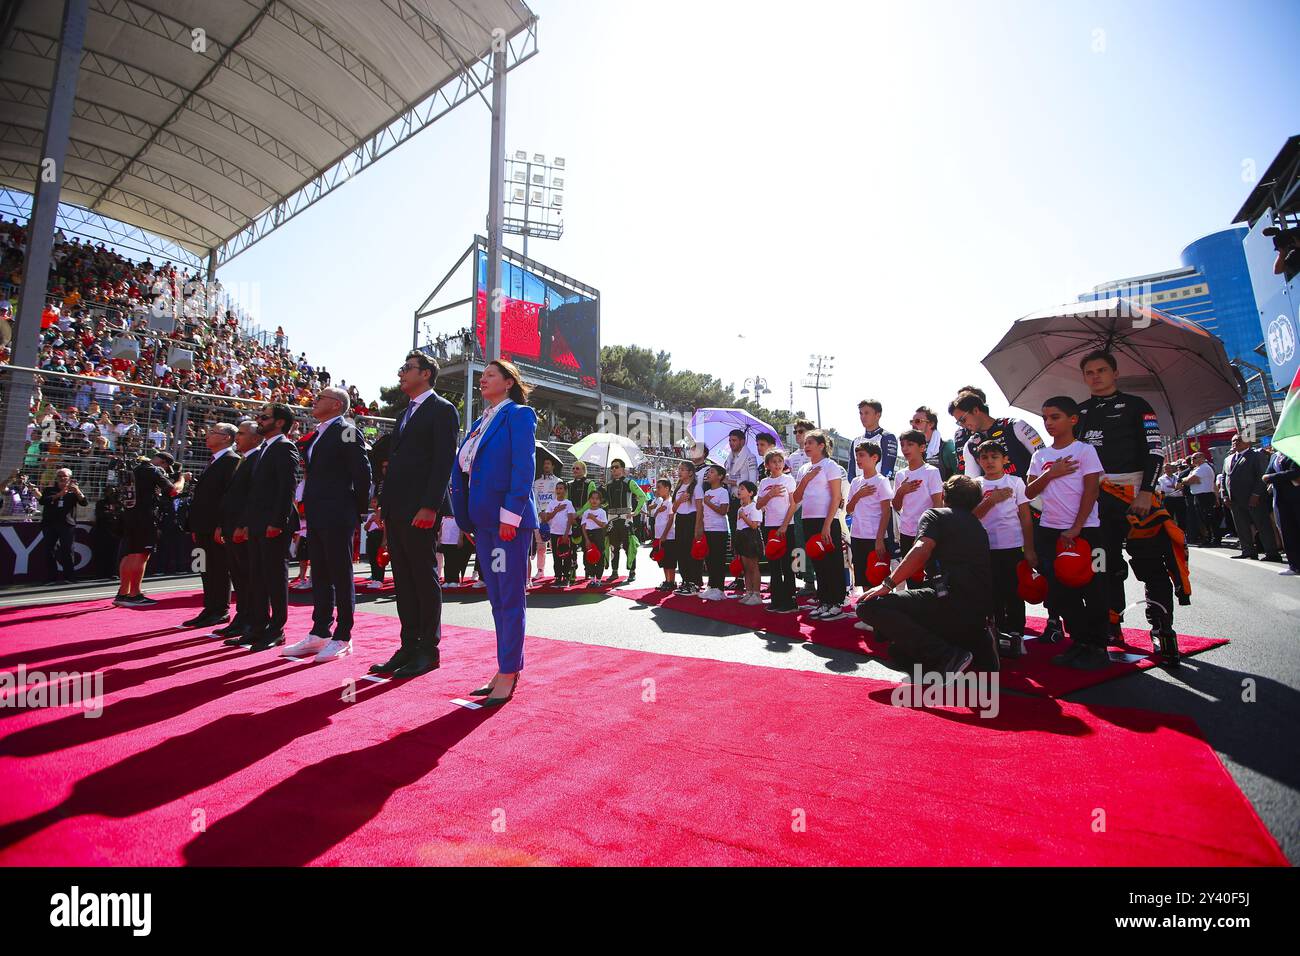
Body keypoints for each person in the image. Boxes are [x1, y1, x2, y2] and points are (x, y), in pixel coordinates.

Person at [449, 358, 538, 706]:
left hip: (507, 523)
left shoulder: (518, 415)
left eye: (490, 375)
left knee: (509, 598)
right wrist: (466, 520)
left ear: (508, 382)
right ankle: (505, 665)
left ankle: (508, 671)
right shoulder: (479, 422)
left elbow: (523, 466)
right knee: (497, 599)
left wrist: (510, 516)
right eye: (482, 376)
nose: (483, 380)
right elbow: (464, 470)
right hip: (482, 523)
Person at [855, 475, 997, 678]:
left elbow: (922, 548)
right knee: (899, 653)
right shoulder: (978, 527)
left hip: (947, 601)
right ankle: (974, 645)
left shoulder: (935, 515)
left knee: (869, 605)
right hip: (976, 613)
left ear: (945, 496)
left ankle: (947, 655)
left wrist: (887, 584)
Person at [1076, 350, 1174, 642]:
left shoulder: (1138, 405)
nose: (1096, 376)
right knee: (1103, 566)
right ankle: (1111, 623)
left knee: (1151, 566)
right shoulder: (1077, 413)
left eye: (1102, 370)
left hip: (1136, 497)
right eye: (1090, 372)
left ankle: (1161, 628)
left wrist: (1146, 492)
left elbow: (1156, 451)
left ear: (1115, 373)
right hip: (1096, 500)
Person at [373, 352, 459, 678]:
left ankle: (428, 649)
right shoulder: (403, 413)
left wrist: (430, 506)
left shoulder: (442, 410)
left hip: (420, 509)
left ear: (425, 374)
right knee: (404, 580)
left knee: (423, 578)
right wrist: (383, 502)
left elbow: (442, 462)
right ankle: (408, 645)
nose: (402, 373)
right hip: (396, 508)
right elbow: (394, 465)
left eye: (407, 368)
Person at [285, 387, 373, 662]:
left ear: (335, 405)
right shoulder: (319, 434)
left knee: (339, 572)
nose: (314, 400)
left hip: (338, 512)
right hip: (317, 511)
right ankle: (320, 630)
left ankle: (343, 635)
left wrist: (355, 509)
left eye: (320, 397)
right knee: (320, 571)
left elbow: (362, 472)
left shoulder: (346, 430)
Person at [1025, 396, 1109, 670]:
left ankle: (1099, 647)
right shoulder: (1040, 456)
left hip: (1089, 532)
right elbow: (1028, 492)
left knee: (1094, 588)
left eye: (1055, 417)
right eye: (1045, 418)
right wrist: (1052, 473)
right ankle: (1079, 642)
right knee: (1061, 591)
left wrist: (1077, 527)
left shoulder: (1085, 451)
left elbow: (1092, 490)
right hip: (1050, 531)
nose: (1049, 423)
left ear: (1073, 419)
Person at [230, 403, 299, 651]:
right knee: (257, 576)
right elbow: (254, 494)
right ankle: (258, 627)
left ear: (279, 423)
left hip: (273, 524)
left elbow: (286, 488)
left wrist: (277, 522)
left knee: (274, 577)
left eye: (264, 417)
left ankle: (277, 628)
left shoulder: (284, 447)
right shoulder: (263, 450)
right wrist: (246, 524)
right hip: (258, 523)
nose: (259, 420)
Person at [972, 440, 1036, 652]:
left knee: (1014, 592)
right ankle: (997, 632)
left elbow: (1026, 518)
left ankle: (1017, 633)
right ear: (979, 461)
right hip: (985, 548)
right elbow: (972, 518)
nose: (989, 461)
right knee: (992, 593)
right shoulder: (975, 485)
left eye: (994, 457)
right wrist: (991, 501)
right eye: (984, 457)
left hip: (1012, 546)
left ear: (1005, 460)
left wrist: (1029, 548)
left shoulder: (1016, 482)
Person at [182, 423, 240, 628]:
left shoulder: (232, 461)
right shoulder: (214, 460)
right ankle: (210, 608)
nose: (208, 435)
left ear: (226, 438)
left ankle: (220, 609)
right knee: (205, 567)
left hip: (215, 527)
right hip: (202, 526)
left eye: (214, 432)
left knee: (219, 568)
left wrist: (220, 526)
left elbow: (228, 497)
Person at [114, 451, 187, 606]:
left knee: (129, 554)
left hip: (129, 515)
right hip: (144, 517)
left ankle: (123, 592)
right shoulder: (153, 470)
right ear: (164, 463)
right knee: (141, 555)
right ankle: (135, 594)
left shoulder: (135, 468)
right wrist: (182, 479)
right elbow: (174, 491)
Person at [792, 429, 847, 620]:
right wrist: (805, 480)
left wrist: (827, 524)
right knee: (818, 562)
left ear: (821, 446)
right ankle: (823, 600)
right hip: (808, 519)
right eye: (805, 443)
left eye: (810, 443)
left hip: (827, 520)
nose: (806, 446)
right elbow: (796, 497)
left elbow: (836, 497)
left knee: (832, 562)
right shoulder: (803, 469)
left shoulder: (830, 466)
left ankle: (836, 603)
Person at [213, 420, 261, 640]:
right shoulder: (244, 459)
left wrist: (245, 525)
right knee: (239, 577)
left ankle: (252, 621)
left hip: (244, 528)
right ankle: (241, 619)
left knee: (250, 578)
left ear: (255, 438)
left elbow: (253, 497)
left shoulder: (258, 459)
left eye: (241, 433)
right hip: (232, 526)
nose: (237, 437)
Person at [892, 429, 945, 585]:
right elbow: (896, 506)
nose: (905, 448)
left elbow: (938, 503)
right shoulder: (900, 474)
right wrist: (901, 491)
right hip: (906, 531)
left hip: (927, 532)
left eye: (910, 444)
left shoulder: (932, 472)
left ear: (922, 447)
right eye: (902, 445)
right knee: (911, 576)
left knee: (930, 576)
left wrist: (935, 531)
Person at [952, 392, 1043, 479]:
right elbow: (973, 484)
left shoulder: (1016, 425)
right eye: (959, 423)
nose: (963, 426)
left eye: (963, 420)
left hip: (1032, 492)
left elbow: (1043, 459)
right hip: (997, 494)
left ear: (975, 410)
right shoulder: (970, 445)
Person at [1222, 432, 1283, 562]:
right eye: (1233, 441)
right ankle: (1248, 551)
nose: (1235, 443)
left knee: (1262, 525)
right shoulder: (1228, 459)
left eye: (1238, 440)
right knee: (1242, 526)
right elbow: (1224, 478)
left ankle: (1272, 553)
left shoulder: (1256, 456)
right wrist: (1225, 495)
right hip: (1235, 500)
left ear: (1247, 442)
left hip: (1253, 499)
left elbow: (1261, 476)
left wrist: (1256, 494)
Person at [846, 441, 892, 612]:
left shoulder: (881, 481)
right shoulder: (856, 482)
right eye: (857, 455)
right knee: (863, 578)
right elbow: (849, 509)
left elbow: (886, 512)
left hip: (875, 537)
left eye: (862, 455)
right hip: (858, 536)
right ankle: (869, 613)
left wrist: (880, 539)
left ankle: (882, 615)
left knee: (878, 577)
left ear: (875, 458)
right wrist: (858, 495)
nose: (858, 459)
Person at [759, 448, 798, 613]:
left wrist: (784, 525)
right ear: (767, 465)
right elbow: (758, 505)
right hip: (769, 526)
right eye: (774, 462)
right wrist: (770, 494)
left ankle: (790, 600)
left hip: (787, 526)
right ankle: (776, 598)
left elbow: (793, 504)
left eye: (780, 461)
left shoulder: (788, 480)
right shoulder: (764, 482)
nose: (778, 464)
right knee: (773, 564)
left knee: (788, 564)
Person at [602, 457, 649, 583]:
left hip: (626, 519)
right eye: (612, 467)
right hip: (611, 519)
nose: (614, 469)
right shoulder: (608, 485)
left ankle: (632, 571)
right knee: (613, 546)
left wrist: (636, 512)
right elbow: (604, 503)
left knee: (630, 546)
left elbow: (642, 496)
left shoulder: (629, 482)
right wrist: (601, 494)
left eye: (616, 467)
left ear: (622, 469)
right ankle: (614, 571)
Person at [723, 429, 758, 591]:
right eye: (730, 440)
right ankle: (739, 576)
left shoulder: (750, 457)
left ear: (743, 441)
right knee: (736, 539)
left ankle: (748, 579)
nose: (731, 443)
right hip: (732, 500)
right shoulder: (729, 458)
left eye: (735, 440)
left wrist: (732, 482)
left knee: (746, 540)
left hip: (744, 502)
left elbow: (752, 482)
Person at [40, 468, 86, 584]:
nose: (61, 478)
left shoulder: (73, 491)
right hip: (50, 523)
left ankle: (69, 577)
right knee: (49, 550)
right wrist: (59, 494)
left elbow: (84, 502)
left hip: (67, 524)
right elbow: (43, 501)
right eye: (59, 476)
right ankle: (51, 577)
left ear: (69, 477)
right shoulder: (50, 489)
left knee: (67, 550)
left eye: (64, 476)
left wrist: (77, 491)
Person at [1263, 450, 1300, 576]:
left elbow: (1295, 473)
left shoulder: (1295, 451)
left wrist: (1273, 477)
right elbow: (1266, 475)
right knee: (1288, 532)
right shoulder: (1275, 456)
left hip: (1297, 498)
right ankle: (1294, 565)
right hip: (1281, 500)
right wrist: (1276, 477)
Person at [699, 464, 731, 601]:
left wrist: (709, 503)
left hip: (719, 530)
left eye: (712, 472)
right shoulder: (706, 492)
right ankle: (711, 586)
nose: (708, 474)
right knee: (710, 559)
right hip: (708, 529)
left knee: (718, 559)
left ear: (720, 476)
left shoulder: (723, 492)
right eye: (708, 472)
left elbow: (723, 511)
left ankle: (719, 589)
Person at [671, 460, 703, 595]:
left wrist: (698, 527)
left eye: (683, 469)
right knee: (681, 551)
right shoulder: (678, 487)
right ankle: (685, 581)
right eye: (679, 469)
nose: (680, 472)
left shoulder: (696, 487)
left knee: (691, 552)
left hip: (691, 519)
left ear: (690, 473)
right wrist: (680, 499)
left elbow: (700, 509)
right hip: (680, 520)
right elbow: (673, 508)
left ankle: (694, 583)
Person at [849, 400, 897, 481]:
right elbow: (851, 472)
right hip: (858, 490)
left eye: (867, 413)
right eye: (861, 413)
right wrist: (857, 487)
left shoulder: (887, 437)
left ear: (878, 415)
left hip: (878, 489)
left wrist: (873, 486)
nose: (863, 417)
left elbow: (888, 470)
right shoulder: (856, 441)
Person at [1180, 451, 1220, 546]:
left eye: (1195, 458)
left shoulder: (1204, 468)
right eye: (1192, 458)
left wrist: (1184, 480)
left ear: (1202, 457)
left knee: (1209, 518)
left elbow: (1190, 480)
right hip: (1198, 495)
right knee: (1202, 519)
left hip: (1205, 496)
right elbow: (1191, 480)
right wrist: (1188, 480)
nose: (1192, 460)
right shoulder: (1197, 469)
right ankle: (1208, 538)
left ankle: (1215, 539)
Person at [543, 480, 578, 587]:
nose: (558, 490)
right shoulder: (552, 503)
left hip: (566, 534)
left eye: (561, 488)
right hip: (554, 533)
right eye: (557, 488)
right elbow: (547, 518)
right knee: (556, 556)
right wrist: (556, 510)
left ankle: (566, 577)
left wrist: (566, 534)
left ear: (565, 491)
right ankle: (558, 576)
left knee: (567, 556)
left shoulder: (568, 503)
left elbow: (571, 520)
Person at [734, 480, 763, 605]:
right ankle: (749, 592)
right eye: (739, 488)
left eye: (742, 489)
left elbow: (754, 526)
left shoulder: (754, 507)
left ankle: (756, 594)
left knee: (753, 566)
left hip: (751, 537)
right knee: (745, 567)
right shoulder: (740, 508)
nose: (739, 491)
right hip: (741, 537)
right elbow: (738, 526)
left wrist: (744, 516)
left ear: (751, 493)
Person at [532, 456, 561, 581]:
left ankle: (557, 571)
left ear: (553, 466)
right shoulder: (536, 483)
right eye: (544, 463)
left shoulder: (558, 482)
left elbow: (559, 500)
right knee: (541, 546)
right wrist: (540, 513)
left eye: (548, 463)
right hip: (540, 517)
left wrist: (550, 513)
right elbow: (534, 500)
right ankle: (540, 570)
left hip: (554, 517)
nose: (546, 466)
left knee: (555, 546)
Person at [911, 407, 958, 479]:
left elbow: (959, 475)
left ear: (931, 424)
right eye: (911, 421)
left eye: (918, 421)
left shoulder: (946, 447)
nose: (913, 425)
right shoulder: (916, 448)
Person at [647, 478, 677, 592]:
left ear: (667, 488)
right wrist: (658, 510)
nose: (657, 490)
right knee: (662, 559)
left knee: (670, 560)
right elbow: (654, 516)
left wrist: (664, 534)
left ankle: (672, 581)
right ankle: (666, 580)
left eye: (659, 487)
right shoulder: (660, 501)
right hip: (658, 535)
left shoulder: (670, 502)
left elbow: (671, 519)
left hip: (668, 536)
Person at [580, 488, 608, 585]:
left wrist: (593, 518)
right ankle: (592, 578)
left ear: (600, 501)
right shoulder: (586, 512)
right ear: (589, 500)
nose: (594, 501)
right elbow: (583, 526)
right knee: (589, 557)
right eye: (592, 498)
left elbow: (603, 525)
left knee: (599, 557)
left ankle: (599, 579)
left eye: (597, 499)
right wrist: (586, 539)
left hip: (599, 534)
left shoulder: (602, 512)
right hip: (588, 535)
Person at [1156, 462, 1187, 531]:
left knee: (1181, 517)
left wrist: (1173, 487)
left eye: (1169, 468)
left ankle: (1182, 532)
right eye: (1166, 469)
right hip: (1169, 499)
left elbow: (1182, 487)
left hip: (1179, 499)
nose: (1168, 470)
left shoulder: (1177, 477)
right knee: (1170, 517)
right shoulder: (1161, 479)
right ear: (1164, 470)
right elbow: (1164, 489)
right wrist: (1176, 487)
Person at [363, 499, 385, 591]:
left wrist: (384, 541)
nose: (373, 504)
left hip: (378, 536)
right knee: (372, 558)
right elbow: (365, 528)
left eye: (375, 502)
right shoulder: (371, 515)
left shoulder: (383, 515)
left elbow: (383, 528)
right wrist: (370, 521)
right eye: (372, 502)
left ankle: (379, 580)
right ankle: (374, 579)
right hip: (371, 536)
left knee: (379, 559)